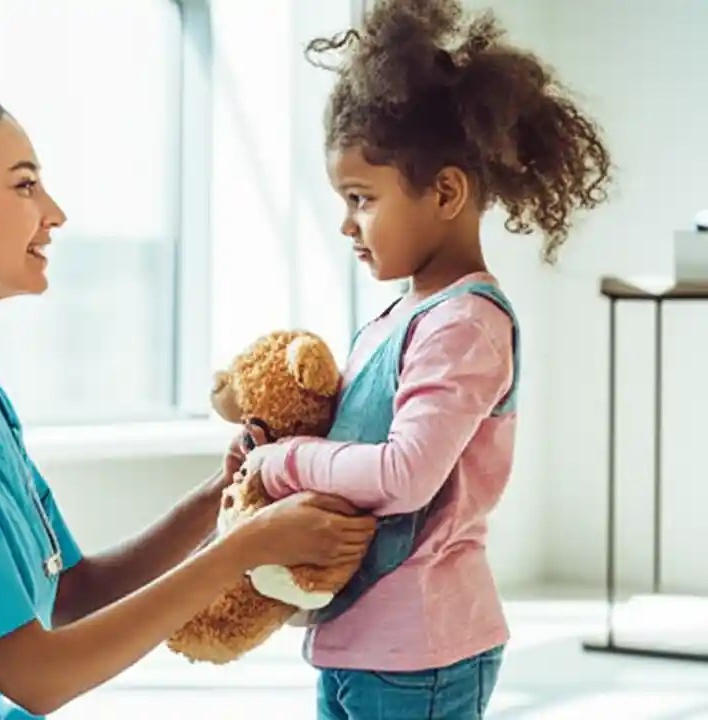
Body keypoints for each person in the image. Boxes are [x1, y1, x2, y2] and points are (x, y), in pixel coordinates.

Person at [0, 86, 377, 719]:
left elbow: (73, 593)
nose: (53, 213)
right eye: (24, 186)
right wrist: (244, 549)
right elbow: (39, 677)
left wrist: (222, 491)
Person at [231, 0, 614, 717]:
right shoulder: (398, 316)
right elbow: (357, 445)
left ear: (445, 192)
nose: (347, 223)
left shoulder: (466, 323)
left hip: (422, 651)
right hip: (362, 640)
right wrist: (271, 446)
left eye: (361, 198)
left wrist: (288, 463)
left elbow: (405, 474)